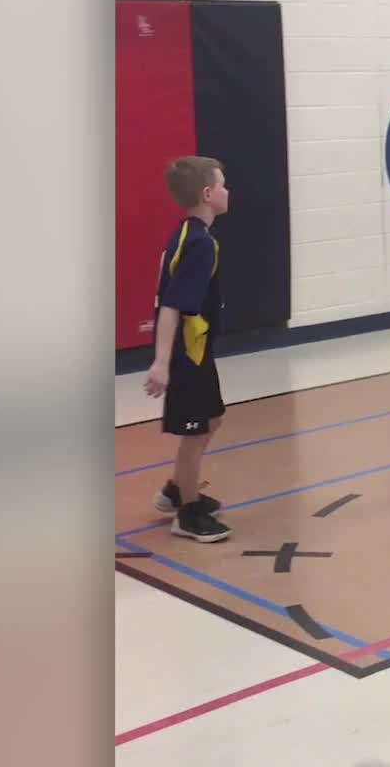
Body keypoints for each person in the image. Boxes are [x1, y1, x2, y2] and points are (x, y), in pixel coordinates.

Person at [141, 155, 234, 543]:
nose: (228, 191)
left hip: (195, 348)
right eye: (222, 184)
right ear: (208, 194)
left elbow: (167, 300)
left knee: (212, 419)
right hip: (189, 354)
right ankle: (189, 513)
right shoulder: (199, 243)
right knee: (196, 433)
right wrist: (162, 362)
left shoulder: (189, 234)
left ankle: (176, 490)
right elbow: (174, 305)